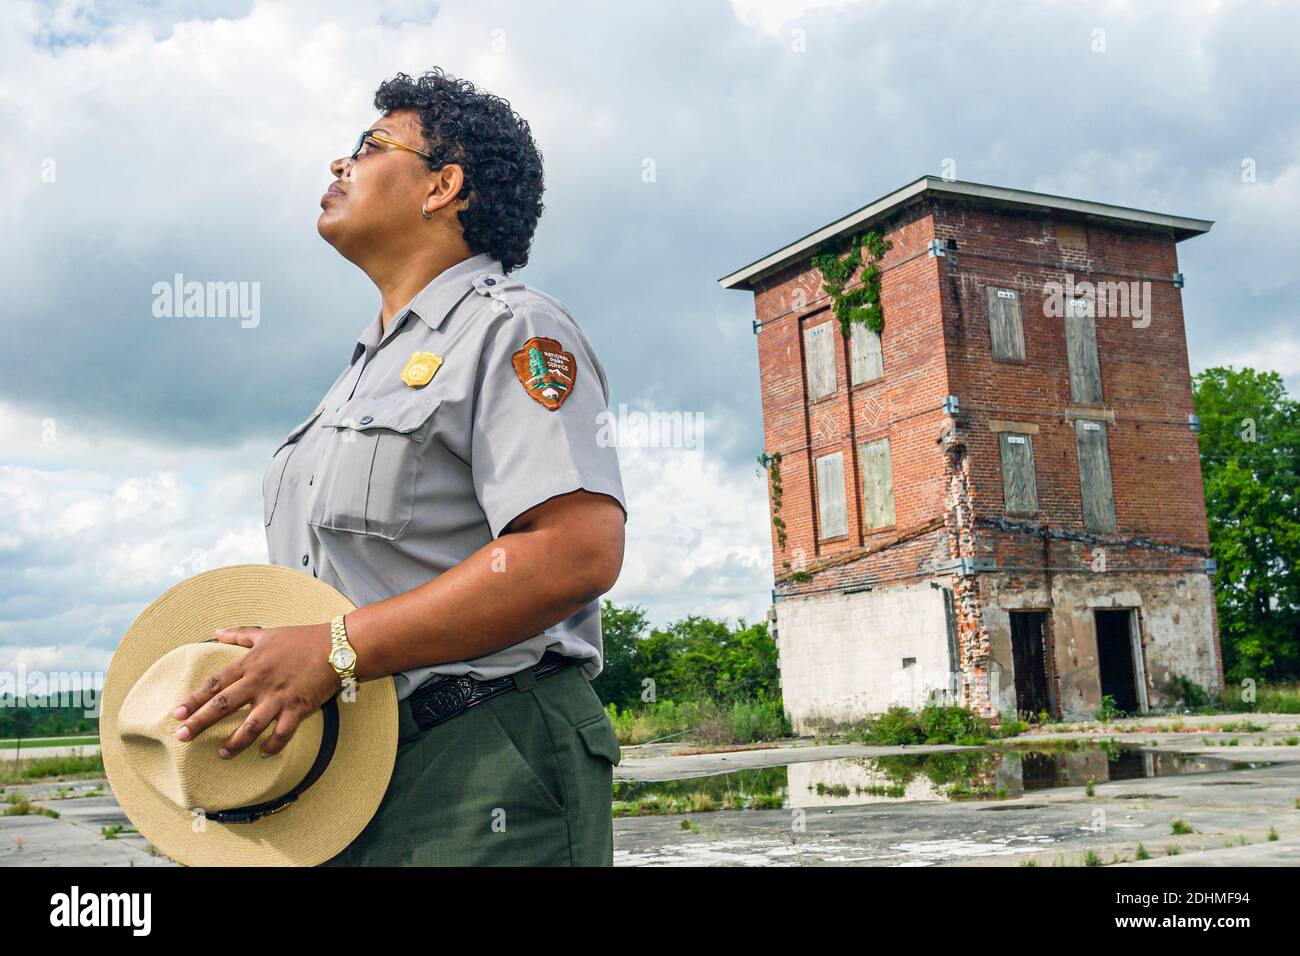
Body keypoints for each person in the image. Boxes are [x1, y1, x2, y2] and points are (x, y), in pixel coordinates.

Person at [168, 68, 628, 866]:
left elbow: (575, 551)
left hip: (483, 758)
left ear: (442, 186)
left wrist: (336, 647)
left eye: (367, 147)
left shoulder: (512, 329)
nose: (337, 166)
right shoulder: (357, 376)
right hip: (349, 771)